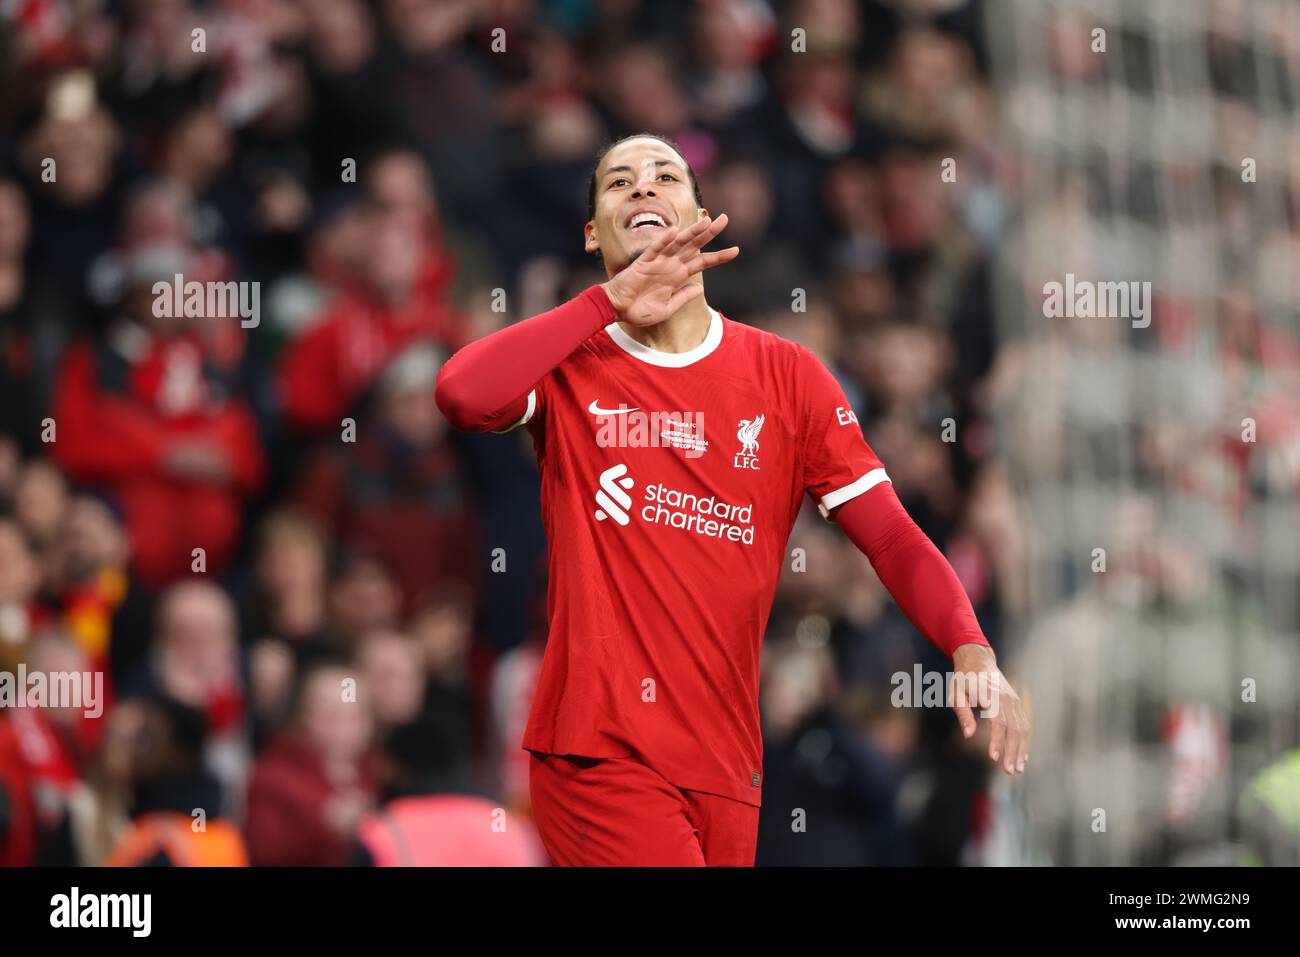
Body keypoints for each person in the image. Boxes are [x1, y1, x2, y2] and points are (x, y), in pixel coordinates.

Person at [435, 132, 1030, 866]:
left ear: (699, 211)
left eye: (664, 176)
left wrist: (970, 647)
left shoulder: (786, 375)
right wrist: (605, 302)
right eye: (620, 182)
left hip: (726, 764)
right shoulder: (571, 365)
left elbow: (892, 537)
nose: (644, 188)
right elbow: (461, 392)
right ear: (593, 232)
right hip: (600, 749)